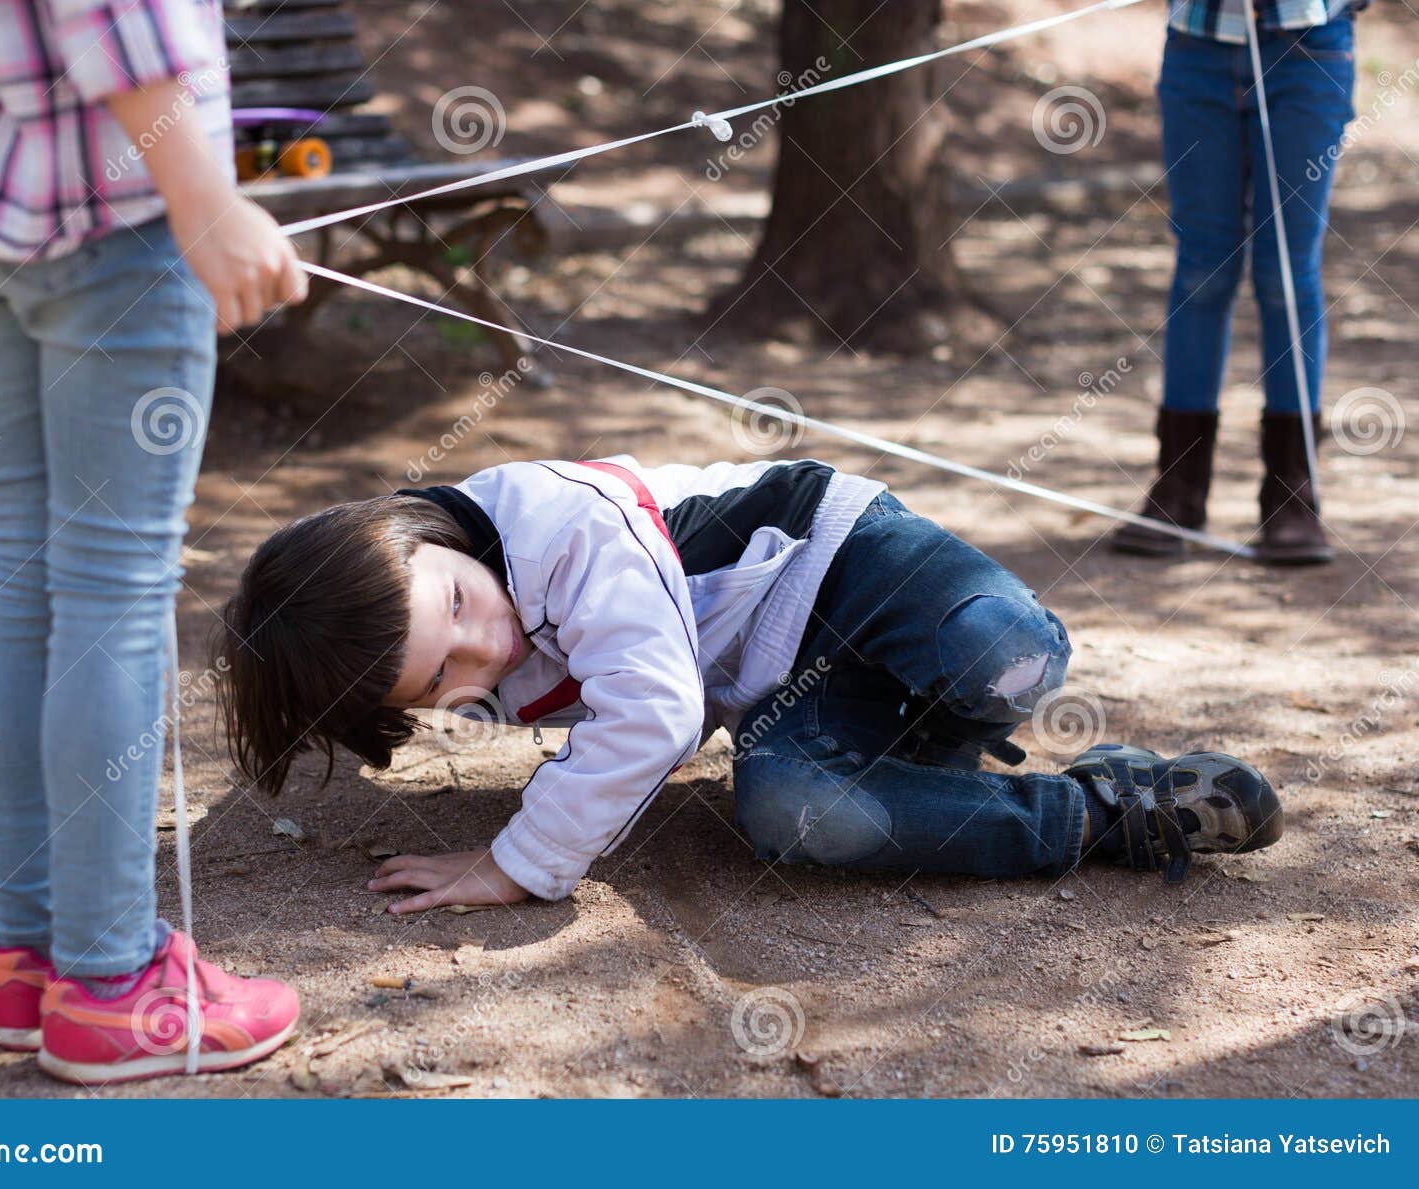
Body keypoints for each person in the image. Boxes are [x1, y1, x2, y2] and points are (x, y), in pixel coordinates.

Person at [0, 0, 307, 1084]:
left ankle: (35, 961)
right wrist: (205, 200)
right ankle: (109, 986)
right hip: (115, 213)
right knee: (111, 582)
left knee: (34, 564)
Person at [217, 455, 1284, 910]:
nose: (483, 654)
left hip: (847, 561)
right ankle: (1098, 808)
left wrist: (520, 858)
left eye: (456, 608)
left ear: (425, 528)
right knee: (792, 812)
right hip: (789, 692)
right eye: (439, 682)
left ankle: (944, 728)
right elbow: (674, 720)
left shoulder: (556, 526)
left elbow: (659, 713)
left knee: (1006, 655)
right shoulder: (451, 629)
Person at [1113, 0, 1364, 565]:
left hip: (1309, 51)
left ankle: (1292, 495)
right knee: (1202, 272)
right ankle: (1178, 488)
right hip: (1197, 52)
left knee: (1285, 273)